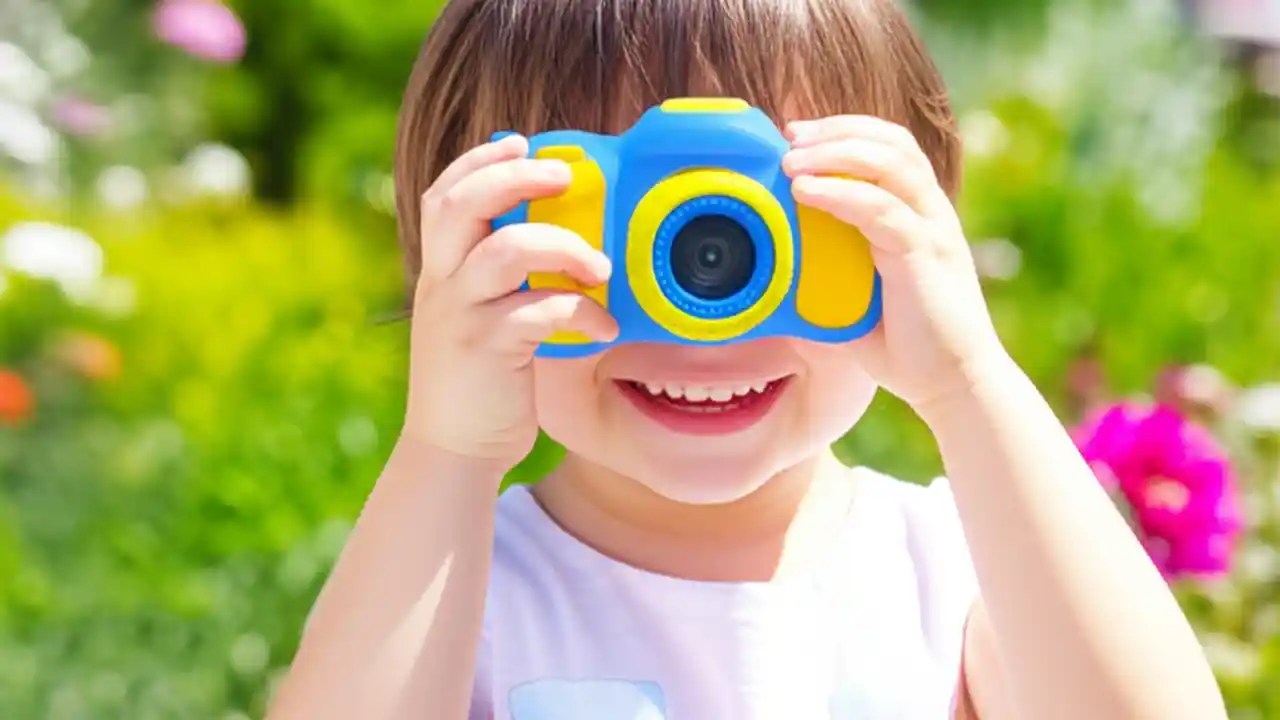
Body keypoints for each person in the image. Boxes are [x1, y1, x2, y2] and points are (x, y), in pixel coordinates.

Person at [268, 0, 1229, 718]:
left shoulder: (961, 572)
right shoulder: (449, 595)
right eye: (616, 224)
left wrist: (969, 382)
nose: (703, 315)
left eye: (773, 219)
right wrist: (448, 450)